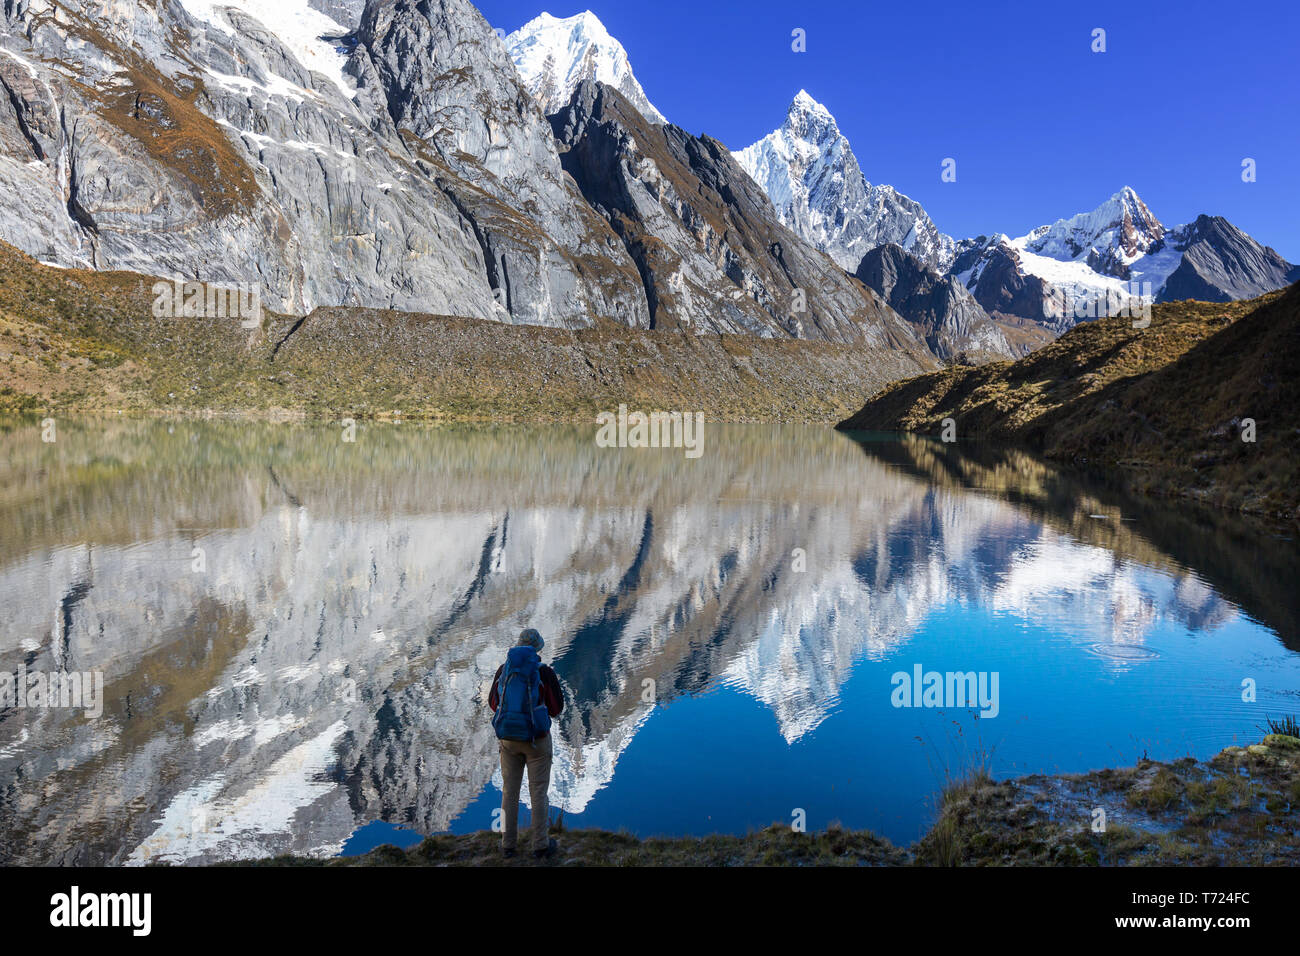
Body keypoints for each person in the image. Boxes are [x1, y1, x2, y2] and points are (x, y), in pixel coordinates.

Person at [488, 628, 564, 858]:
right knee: (538, 792)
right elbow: (556, 709)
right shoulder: (544, 672)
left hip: (508, 740)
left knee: (509, 792)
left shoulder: (504, 670)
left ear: (518, 645)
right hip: (536, 742)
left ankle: (507, 845)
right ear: (538, 648)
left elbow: (494, 704)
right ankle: (540, 845)